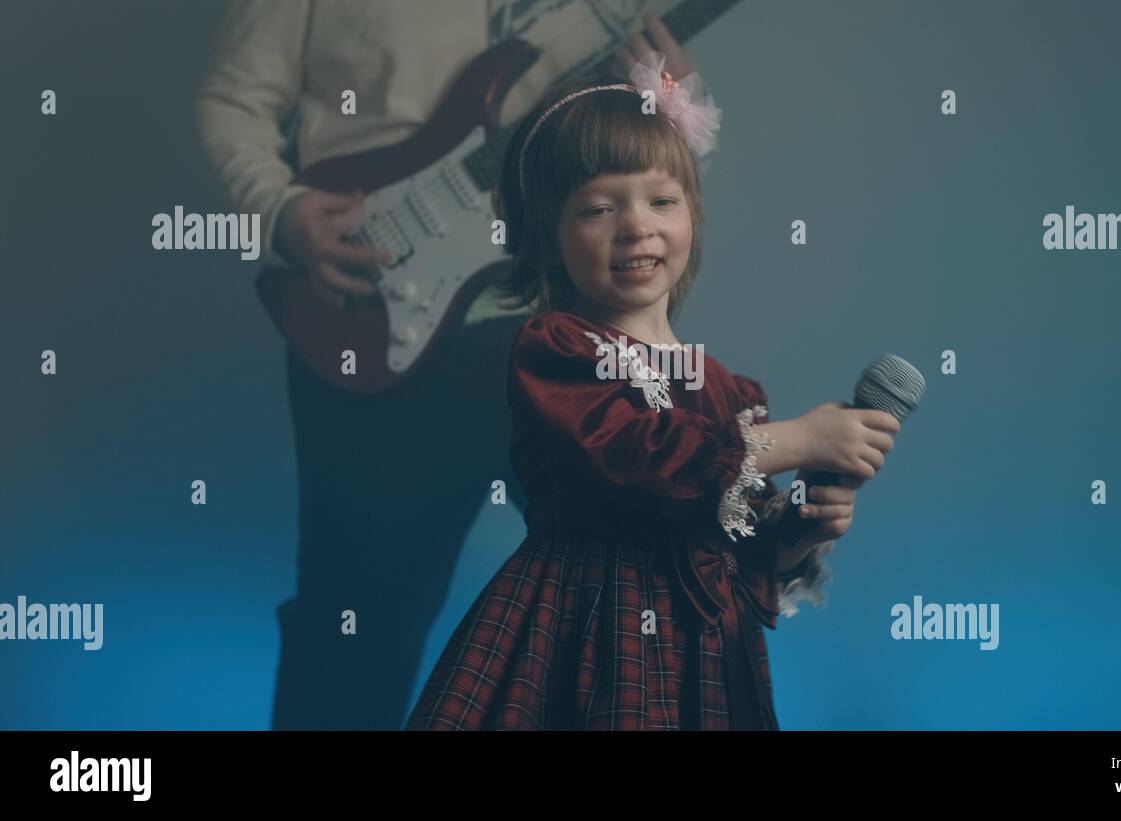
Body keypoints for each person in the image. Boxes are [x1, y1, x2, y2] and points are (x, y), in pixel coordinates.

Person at [193, 0, 701, 730]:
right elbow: (232, 98)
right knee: (354, 631)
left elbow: (651, 184)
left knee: (635, 604)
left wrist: (672, 117)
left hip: (569, 329)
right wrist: (279, 211)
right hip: (377, 317)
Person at [405, 56, 900, 730]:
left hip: (699, 658)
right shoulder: (556, 349)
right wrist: (796, 438)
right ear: (549, 238)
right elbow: (640, 454)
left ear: (691, 213)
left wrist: (804, 521)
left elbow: (738, 550)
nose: (636, 225)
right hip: (578, 632)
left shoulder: (727, 389)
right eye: (598, 208)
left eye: (660, 200)